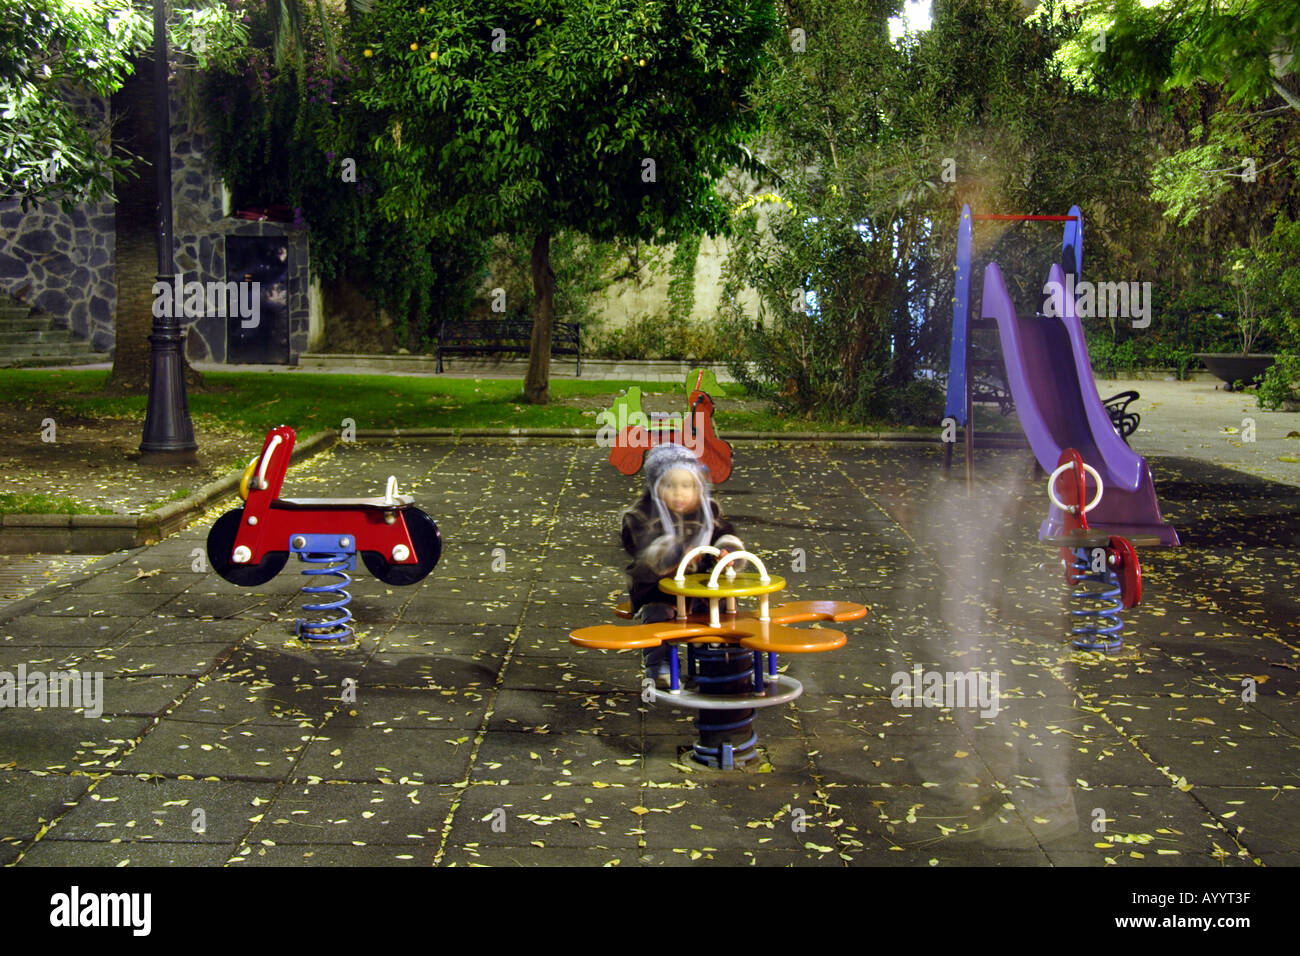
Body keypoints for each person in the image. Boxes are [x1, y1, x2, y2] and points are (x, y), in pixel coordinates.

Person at [620, 443, 745, 686]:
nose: (679, 493)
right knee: (660, 615)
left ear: (697, 487)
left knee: (721, 608)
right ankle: (660, 667)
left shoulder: (707, 512)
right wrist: (671, 550)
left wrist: (727, 552)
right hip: (658, 587)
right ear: (656, 488)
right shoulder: (641, 515)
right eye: (670, 486)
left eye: (686, 486)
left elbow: (724, 533)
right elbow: (640, 546)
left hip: (698, 587)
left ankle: (719, 662)